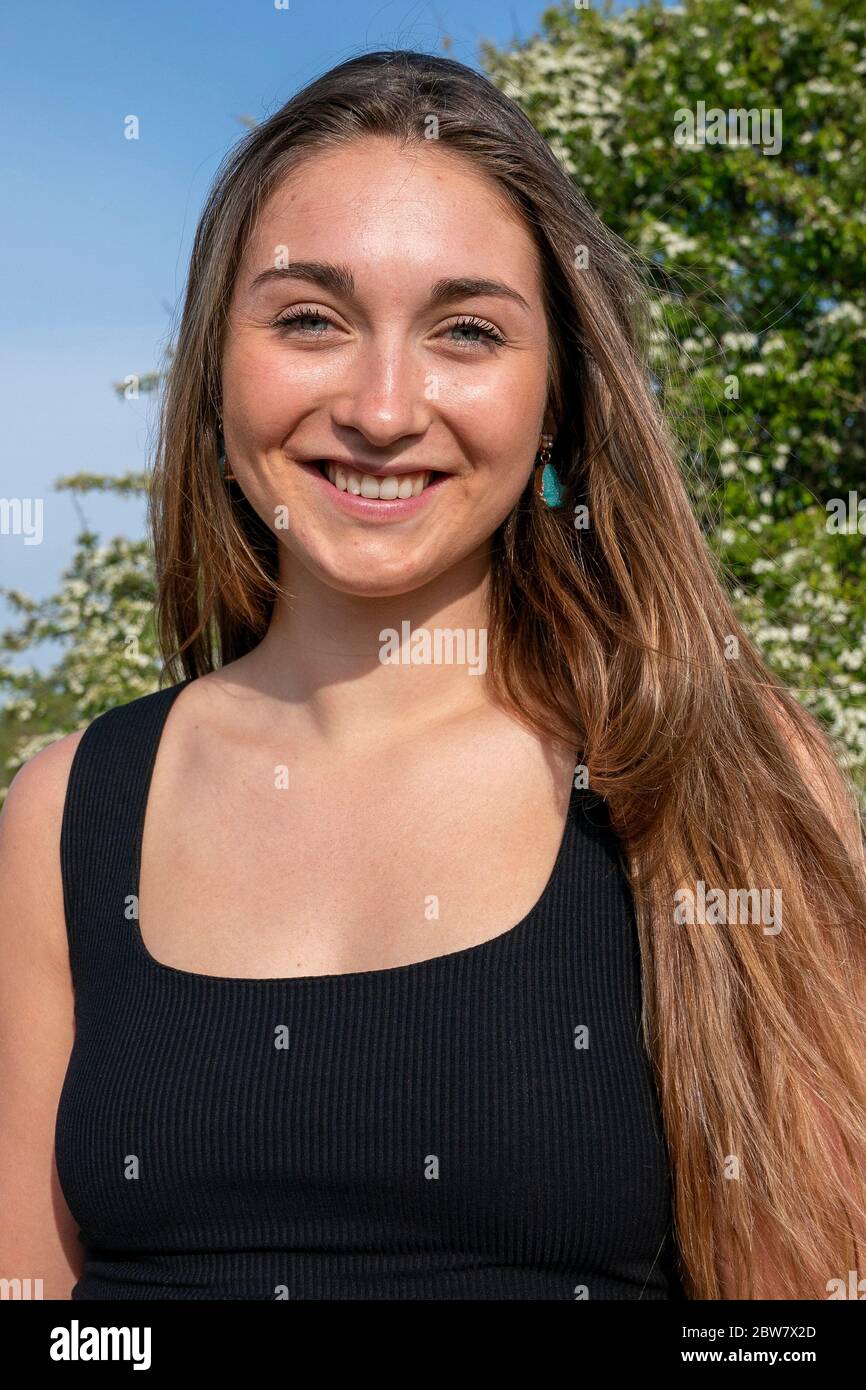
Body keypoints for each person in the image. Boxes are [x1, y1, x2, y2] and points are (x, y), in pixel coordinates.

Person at [1, 49, 864, 1302]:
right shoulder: (63, 815)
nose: (385, 406)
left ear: (555, 396)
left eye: (465, 331)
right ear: (213, 365)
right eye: (310, 319)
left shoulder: (707, 766)